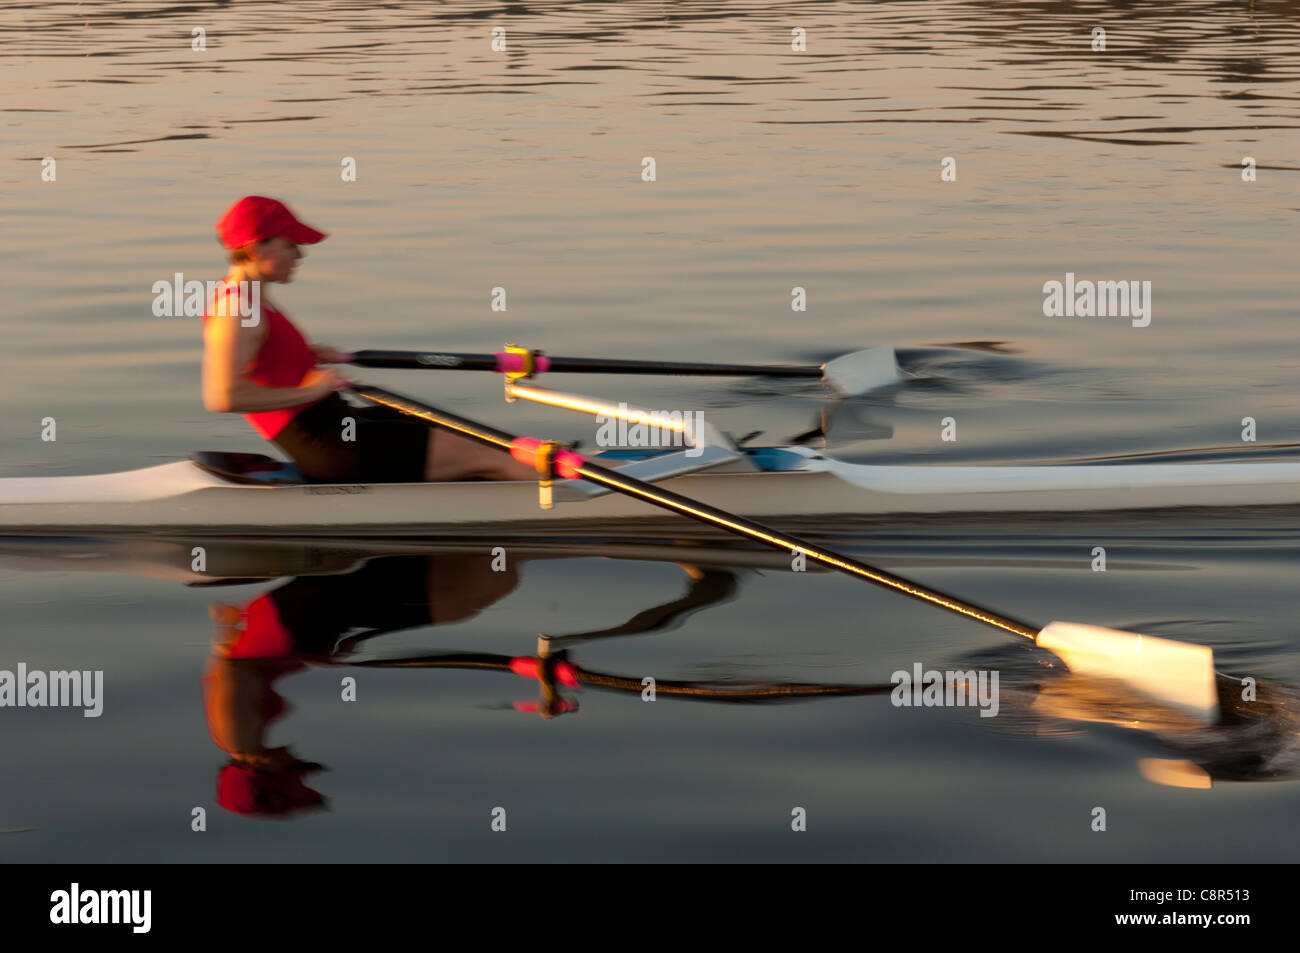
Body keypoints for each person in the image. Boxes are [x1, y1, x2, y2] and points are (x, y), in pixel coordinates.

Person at [202, 196, 537, 483]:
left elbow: (264, 364)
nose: (300, 255)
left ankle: (542, 473)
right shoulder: (236, 309)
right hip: (327, 446)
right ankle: (578, 499)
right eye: (290, 245)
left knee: (469, 436)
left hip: (335, 424)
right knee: (485, 454)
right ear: (256, 246)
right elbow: (223, 396)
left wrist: (306, 356)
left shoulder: (251, 300)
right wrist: (312, 389)